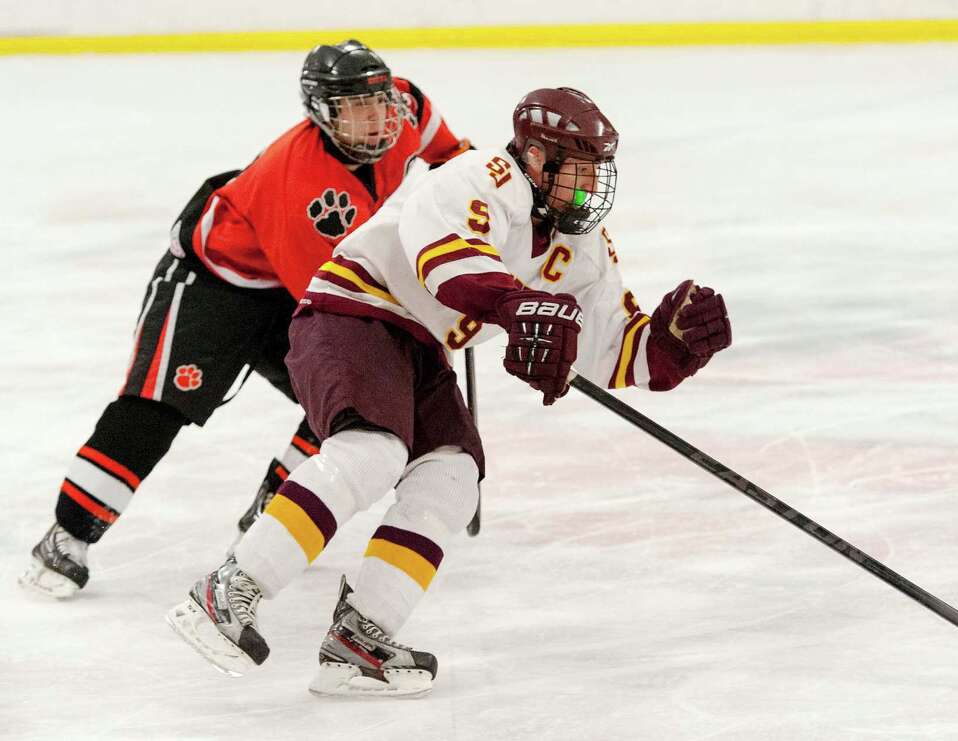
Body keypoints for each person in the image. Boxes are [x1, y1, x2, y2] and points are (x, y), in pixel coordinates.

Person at [165, 87, 733, 697]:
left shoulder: (582, 249)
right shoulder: (479, 177)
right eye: (581, 171)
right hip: (352, 312)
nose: (592, 187)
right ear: (538, 160)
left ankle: (359, 638)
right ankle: (228, 589)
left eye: (599, 172)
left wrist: (668, 349)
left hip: (420, 349)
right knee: (372, 452)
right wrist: (520, 307)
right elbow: (446, 259)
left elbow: (612, 346)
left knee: (453, 476)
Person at [19, 39, 471, 599]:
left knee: (353, 392)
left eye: (379, 101)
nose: (375, 118)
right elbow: (337, 300)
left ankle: (274, 509)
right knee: (157, 409)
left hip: (299, 281)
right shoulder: (298, 183)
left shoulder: (413, 110)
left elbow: (461, 170)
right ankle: (67, 535)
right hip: (214, 288)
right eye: (355, 107)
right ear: (322, 114)